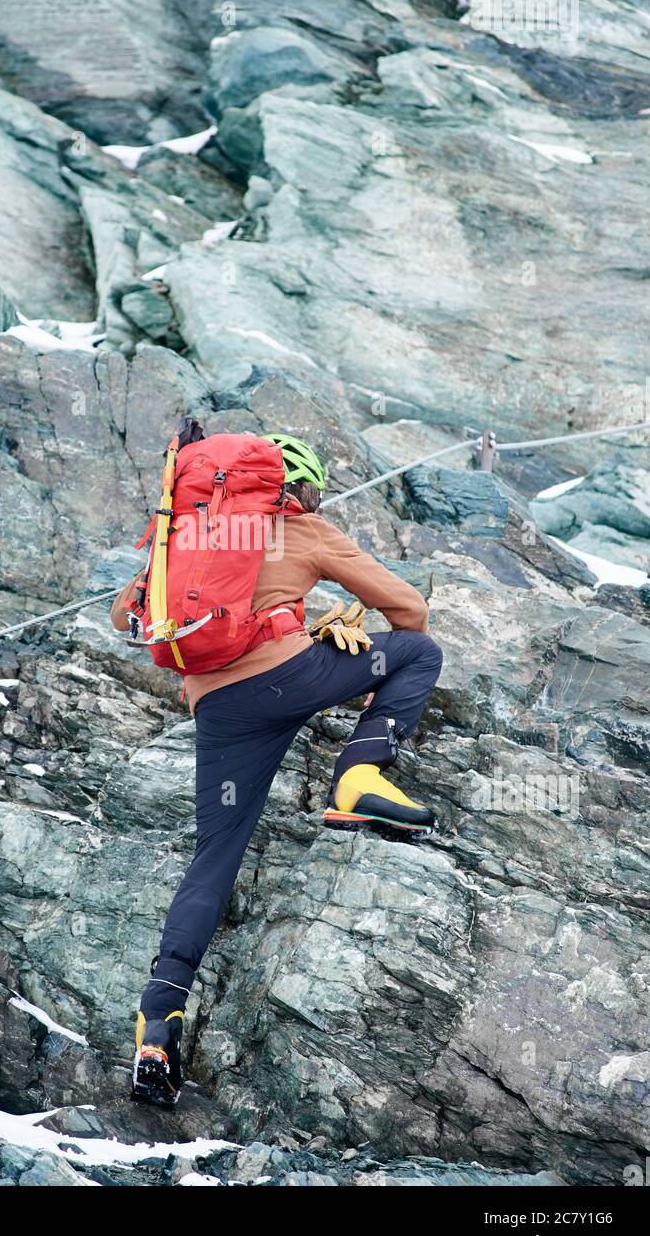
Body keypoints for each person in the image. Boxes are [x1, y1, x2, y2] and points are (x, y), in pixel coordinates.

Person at [109, 434, 443, 1106]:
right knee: (415, 653)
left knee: (213, 859)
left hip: (221, 710)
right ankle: (358, 779)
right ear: (295, 489)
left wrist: (292, 620)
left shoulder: (188, 537)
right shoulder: (304, 528)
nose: (312, 502)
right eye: (312, 491)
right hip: (290, 677)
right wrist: (313, 629)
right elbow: (408, 610)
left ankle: (155, 1029)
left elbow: (125, 615)